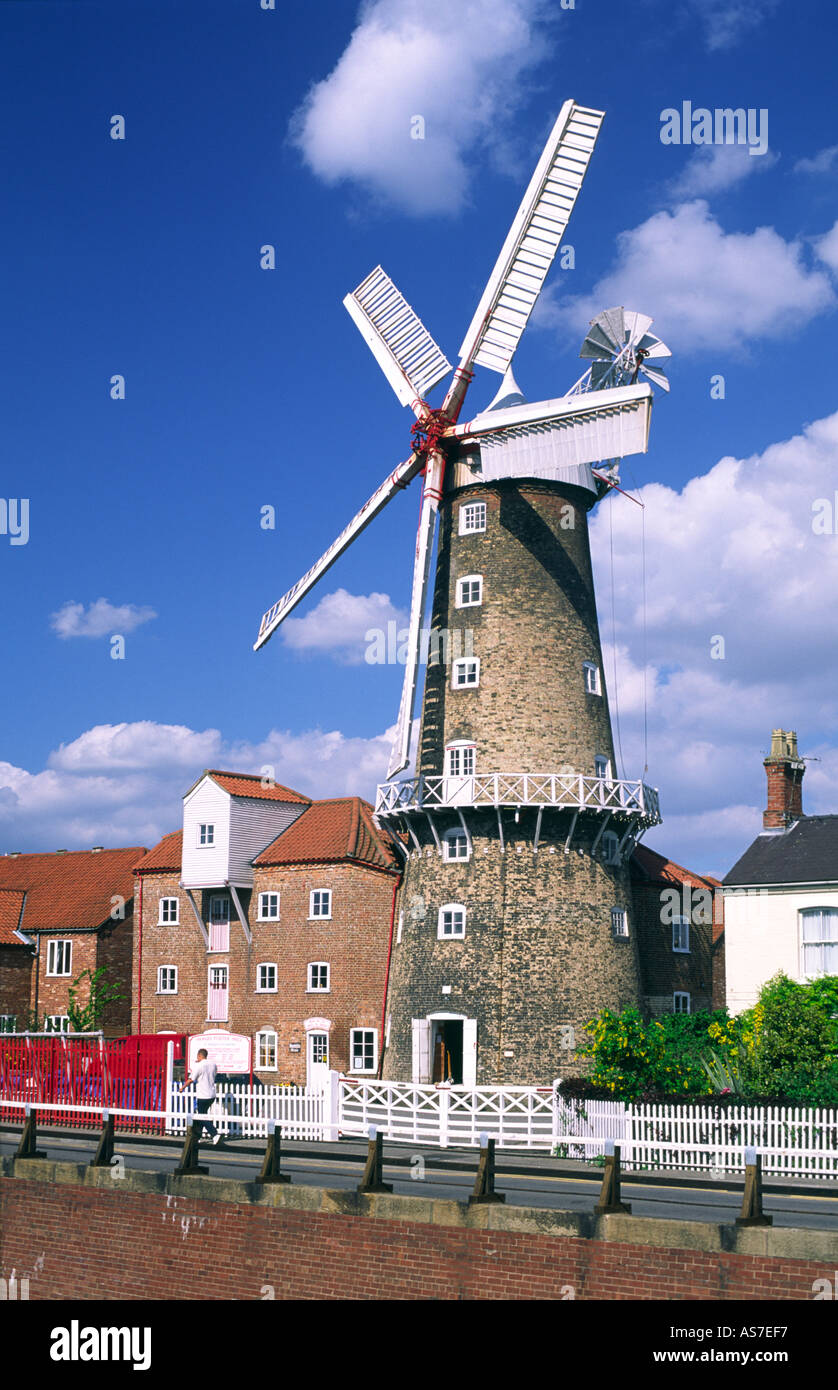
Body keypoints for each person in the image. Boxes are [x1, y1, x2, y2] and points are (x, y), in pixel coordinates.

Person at [179, 1048, 221, 1145]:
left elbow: (191, 1079)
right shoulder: (213, 1064)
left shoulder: (199, 1066)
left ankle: (215, 1134)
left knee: (201, 1116)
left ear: (199, 1055)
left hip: (203, 1095)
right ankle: (197, 1137)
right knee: (202, 1114)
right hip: (212, 1095)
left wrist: (182, 1088)